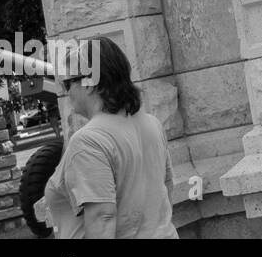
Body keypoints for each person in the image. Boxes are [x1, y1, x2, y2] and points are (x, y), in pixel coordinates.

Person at [41, 38, 177, 239]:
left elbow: (101, 218)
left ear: (89, 83)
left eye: (68, 83)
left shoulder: (89, 141)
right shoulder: (151, 124)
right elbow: (165, 188)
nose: (66, 92)